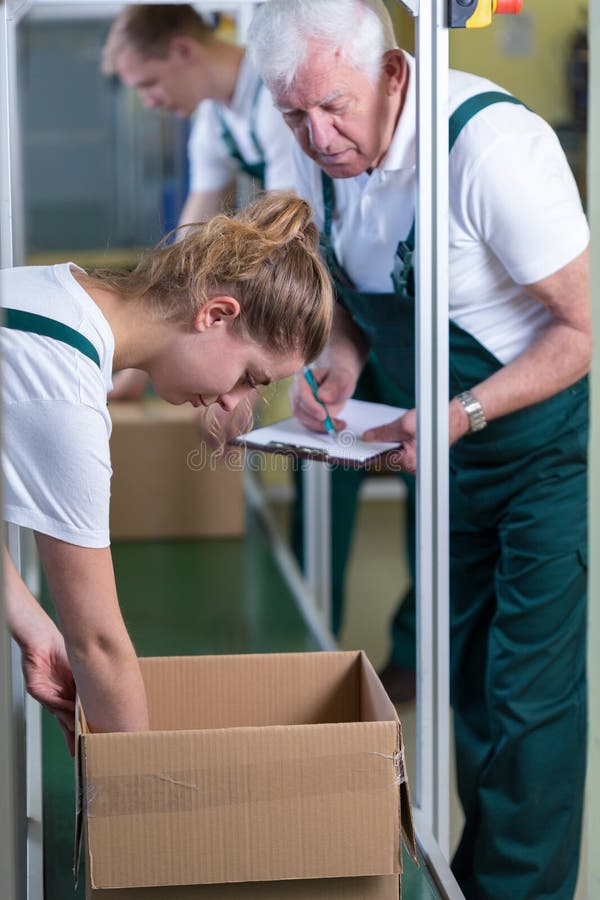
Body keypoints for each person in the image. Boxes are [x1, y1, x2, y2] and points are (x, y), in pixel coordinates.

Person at [247, 3, 591, 899]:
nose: (317, 136)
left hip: (533, 454)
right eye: (294, 115)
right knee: (465, 681)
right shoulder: (316, 149)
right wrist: (340, 359)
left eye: (334, 107)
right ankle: (479, 876)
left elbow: (582, 331)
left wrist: (462, 412)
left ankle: (522, 891)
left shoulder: (488, 150)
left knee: (528, 695)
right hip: (441, 456)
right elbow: (359, 295)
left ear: (394, 74)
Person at [2, 192, 334, 749]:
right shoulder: (64, 388)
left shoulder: (58, 292)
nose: (232, 402)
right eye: (249, 377)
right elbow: (98, 644)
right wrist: (144, 788)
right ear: (215, 314)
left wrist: (31, 622)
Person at [102, 4, 296, 400]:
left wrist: (240, 378)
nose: (149, 102)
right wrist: (140, 362)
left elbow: (281, 239)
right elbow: (188, 248)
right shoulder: (214, 121)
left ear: (183, 51)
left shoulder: (277, 94)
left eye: (149, 83)